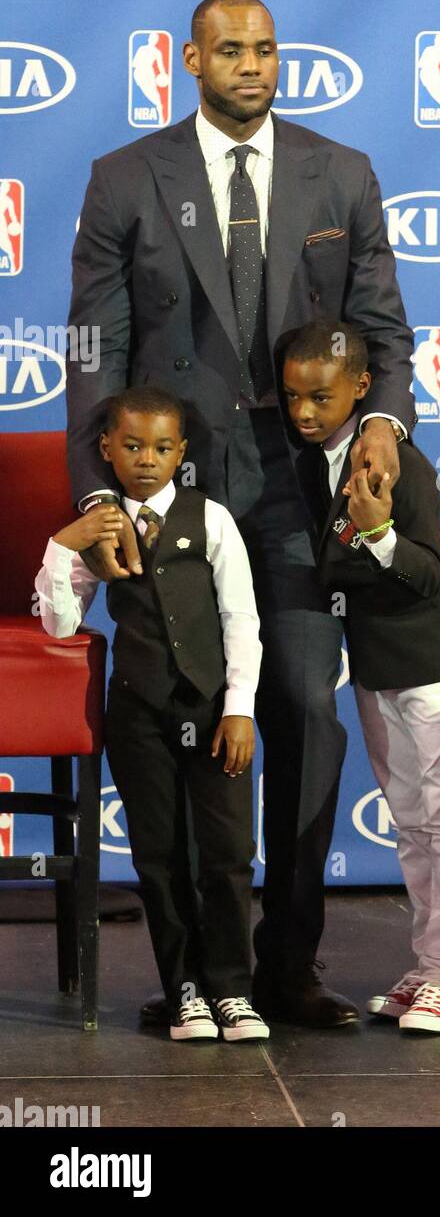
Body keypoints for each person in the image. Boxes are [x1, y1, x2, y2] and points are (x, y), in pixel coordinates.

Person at [66, 0, 415, 1029]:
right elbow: (93, 352)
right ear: (190, 60)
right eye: (231, 51)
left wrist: (383, 430)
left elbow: (384, 335)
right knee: (181, 733)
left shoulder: (340, 173)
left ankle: (285, 966)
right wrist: (100, 494)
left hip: (299, 500)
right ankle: (191, 974)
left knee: (303, 711)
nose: (253, 66)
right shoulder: (125, 179)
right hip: (169, 498)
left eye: (266, 49)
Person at [35, 387, 267, 1042]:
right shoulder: (99, 531)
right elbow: (59, 623)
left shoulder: (211, 519)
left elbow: (240, 618)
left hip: (215, 712)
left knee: (226, 856)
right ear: (105, 449)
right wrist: (62, 547)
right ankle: (185, 993)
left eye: (162, 447)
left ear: (182, 452)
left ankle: (233, 991)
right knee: (158, 858)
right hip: (139, 718)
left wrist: (241, 708)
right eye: (132, 446)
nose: (146, 459)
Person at [282, 320, 440, 1035]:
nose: (304, 411)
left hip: (432, 665)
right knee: (411, 824)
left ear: (362, 388)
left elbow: (428, 575)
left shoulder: (401, 466)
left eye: (321, 396)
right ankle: (428, 966)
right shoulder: (311, 463)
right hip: (375, 672)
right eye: (293, 397)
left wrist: (379, 534)